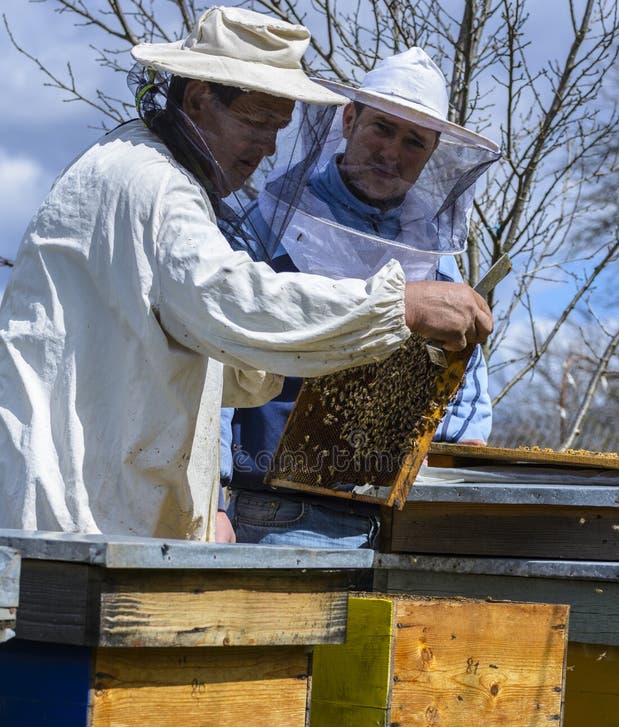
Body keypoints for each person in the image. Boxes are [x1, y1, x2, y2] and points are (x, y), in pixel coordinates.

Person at [0, 8, 493, 542]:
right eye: (257, 123)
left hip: (101, 502)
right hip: (77, 510)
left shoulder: (146, 170)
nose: (267, 147)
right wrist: (398, 307)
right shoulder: (156, 187)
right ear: (196, 100)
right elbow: (231, 304)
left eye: (278, 128)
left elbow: (201, 354)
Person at [221, 48, 500, 547]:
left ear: (433, 153)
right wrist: (213, 495)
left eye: (414, 141)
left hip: (388, 516)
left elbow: (465, 379)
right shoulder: (270, 228)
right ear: (349, 120)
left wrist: (466, 459)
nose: (392, 152)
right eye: (382, 129)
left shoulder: (433, 253)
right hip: (275, 512)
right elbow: (214, 356)